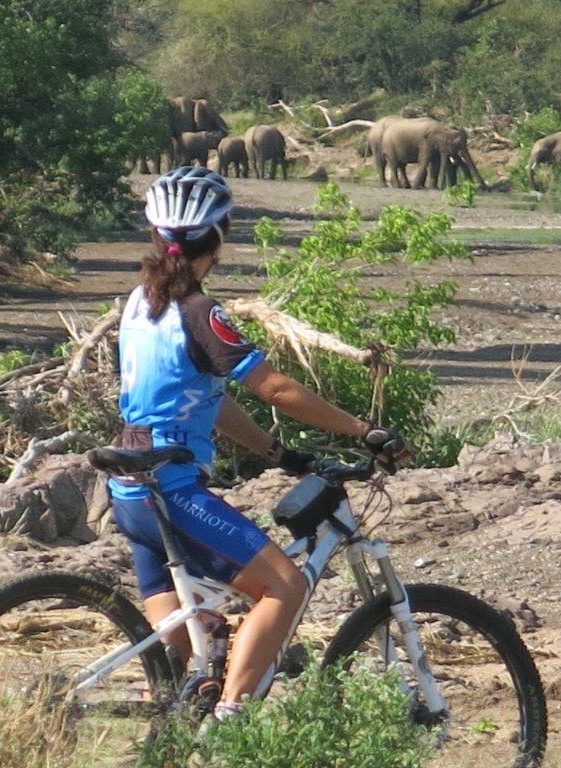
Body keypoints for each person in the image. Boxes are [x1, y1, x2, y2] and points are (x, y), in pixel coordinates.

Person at [109, 166, 407, 722]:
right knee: (285, 585)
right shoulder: (201, 312)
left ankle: (176, 729)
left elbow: (206, 397)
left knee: (183, 666)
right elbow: (274, 387)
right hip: (171, 488)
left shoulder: (137, 304)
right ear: (218, 239)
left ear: (156, 237)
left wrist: (277, 453)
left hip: (129, 490)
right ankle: (234, 727)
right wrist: (364, 430)